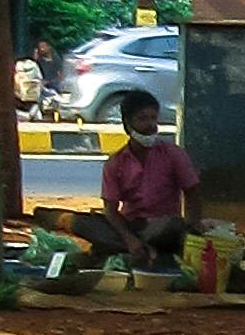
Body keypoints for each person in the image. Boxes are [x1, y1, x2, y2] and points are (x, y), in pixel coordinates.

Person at [82, 91, 199, 266]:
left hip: (165, 226)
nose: (151, 125)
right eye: (143, 119)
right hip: (131, 227)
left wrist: (191, 230)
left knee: (173, 226)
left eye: (153, 118)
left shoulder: (173, 154)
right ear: (128, 125)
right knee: (84, 223)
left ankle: (136, 251)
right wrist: (130, 239)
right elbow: (111, 211)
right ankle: (143, 250)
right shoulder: (115, 163)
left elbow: (192, 193)